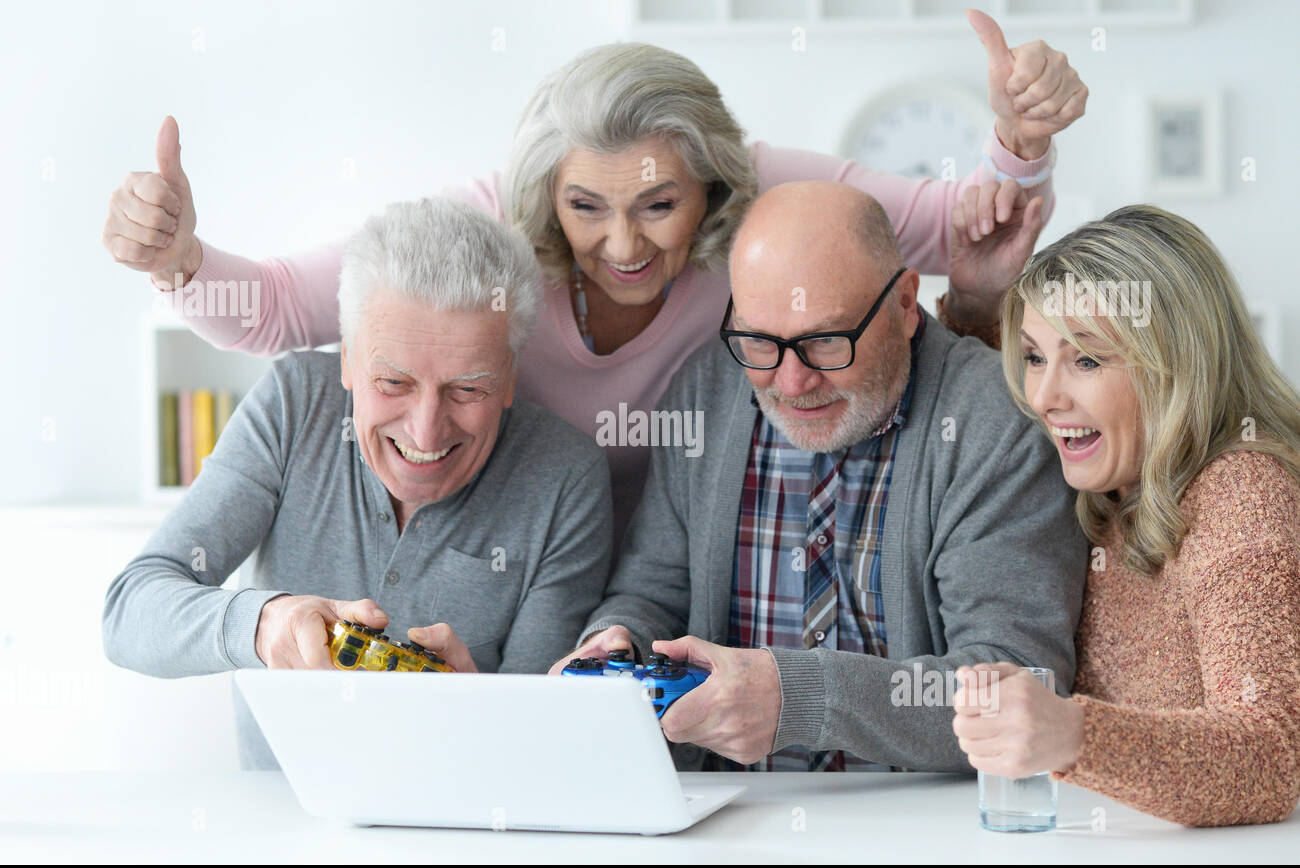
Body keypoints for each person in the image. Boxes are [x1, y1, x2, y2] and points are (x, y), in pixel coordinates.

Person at [101, 13, 1088, 540]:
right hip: (520, 554)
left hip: (686, 562)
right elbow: (276, 308)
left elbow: (958, 227)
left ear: (710, 184)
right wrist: (178, 259)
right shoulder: (488, 223)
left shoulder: (758, 191)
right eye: (586, 209)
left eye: (659, 205)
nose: (622, 245)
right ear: (545, 194)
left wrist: (1019, 141)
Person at [552, 180, 1087, 774]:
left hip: (920, 828)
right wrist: (616, 641)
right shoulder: (705, 394)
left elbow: (1013, 685)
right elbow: (653, 592)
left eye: (826, 342)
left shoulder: (994, 422)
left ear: (906, 304)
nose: (790, 383)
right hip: (725, 816)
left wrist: (801, 698)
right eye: (759, 342)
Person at [103, 197, 613, 770]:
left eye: (468, 390)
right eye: (392, 382)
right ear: (346, 362)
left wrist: (475, 699)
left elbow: (542, 747)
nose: (425, 430)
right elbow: (129, 612)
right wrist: (263, 623)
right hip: (282, 827)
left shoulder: (566, 478)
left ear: (511, 380)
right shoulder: (295, 404)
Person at [948, 204, 1300, 826]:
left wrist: (1074, 735)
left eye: (1086, 359)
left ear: (1178, 364)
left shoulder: (1243, 491)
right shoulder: (1112, 481)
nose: (1044, 398)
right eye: (1033, 357)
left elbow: (1273, 756)